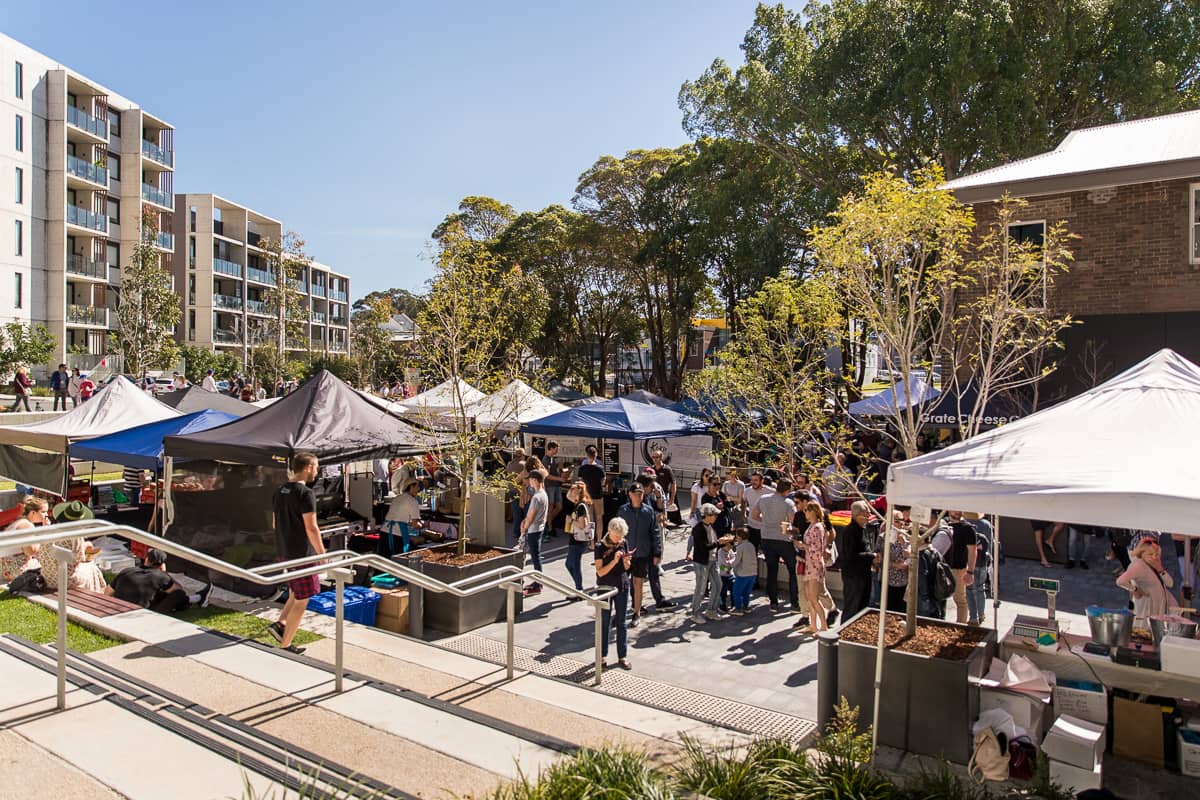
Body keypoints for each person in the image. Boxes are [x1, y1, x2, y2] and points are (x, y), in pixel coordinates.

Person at [266, 452, 325, 654]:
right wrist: (322, 554)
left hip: (284, 550)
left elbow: (275, 523)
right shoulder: (305, 494)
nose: (317, 471)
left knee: (295, 591)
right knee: (303, 598)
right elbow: (312, 528)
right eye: (316, 467)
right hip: (302, 553)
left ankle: (281, 623)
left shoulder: (279, 490)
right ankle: (286, 645)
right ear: (308, 467)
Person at [617, 482, 671, 627]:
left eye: (640, 493)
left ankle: (637, 612)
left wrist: (657, 552)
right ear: (629, 494)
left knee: (638, 583)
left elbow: (654, 533)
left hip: (642, 553)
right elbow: (617, 532)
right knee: (622, 584)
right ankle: (619, 613)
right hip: (626, 554)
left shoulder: (648, 511)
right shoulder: (623, 511)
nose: (638, 496)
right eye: (635, 493)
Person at [108, 547, 210, 612]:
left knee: (160, 593)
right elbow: (179, 589)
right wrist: (164, 573)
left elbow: (107, 592)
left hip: (119, 609)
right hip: (143, 614)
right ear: (162, 564)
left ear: (147, 559)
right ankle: (198, 599)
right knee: (178, 595)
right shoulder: (161, 577)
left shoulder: (126, 571)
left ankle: (196, 599)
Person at [751, 477, 799, 612]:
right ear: (788, 490)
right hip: (783, 538)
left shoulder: (764, 498)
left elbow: (754, 515)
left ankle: (773, 602)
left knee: (772, 570)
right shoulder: (788, 503)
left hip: (766, 537)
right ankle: (794, 603)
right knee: (792, 570)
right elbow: (793, 521)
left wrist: (765, 521)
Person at [595, 517, 633, 670]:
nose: (619, 540)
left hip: (622, 585)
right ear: (610, 532)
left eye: (621, 536)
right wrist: (614, 561)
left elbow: (628, 567)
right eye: (617, 536)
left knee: (622, 622)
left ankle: (622, 656)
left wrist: (626, 562)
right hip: (605, 586)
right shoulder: (600, 547)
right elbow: (600, 572)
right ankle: (602, 656)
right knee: (604, 622)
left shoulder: (623, 543)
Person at [1117, 534, 1178, 624]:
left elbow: (1170, 584)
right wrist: (1135, 589)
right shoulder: (1138, 565)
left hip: (1160, 607)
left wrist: (1160, 569)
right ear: (1142, 553)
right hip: (1147, 609)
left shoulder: (1155, 563)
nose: (1154, 557)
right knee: (1144, 632)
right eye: (1150, 554)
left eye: (1157, 554)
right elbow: (1120, 581)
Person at [836, 500, 878, 623]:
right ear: (857, 514)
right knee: (852, 606)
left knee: (862, 606)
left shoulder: (863, 529)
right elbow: (850, 556)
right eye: (866, 513)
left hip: (863, 573)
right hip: (853, 576)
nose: (869, 516)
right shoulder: (850, 532)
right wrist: (871, 556)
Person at [799, 502, 831, 636]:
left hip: (815, 564)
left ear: (813, 511)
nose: (805, 512)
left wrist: (803, 546)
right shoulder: (812, 526)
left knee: (814, 597)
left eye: (807, 510)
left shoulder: (817, 527)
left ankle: (823, 626)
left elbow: (817, 548)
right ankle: (813, 625)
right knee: (809, 596)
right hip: (809, 563)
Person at [688, 504, 724, 623]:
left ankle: (711, 610)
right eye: (714, 514)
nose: (716, 517)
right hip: (701, 562)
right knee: (700, 588)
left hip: (713, 560)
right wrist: (719, 543)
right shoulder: (698, 529)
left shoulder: (711, 527)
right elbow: (704, 547)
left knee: (718, 585)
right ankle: (695, 613)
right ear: (707, 515)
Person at [519, 471, 549, 596]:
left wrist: (524, 528)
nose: (528, 482)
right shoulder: (543, 494)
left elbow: (531, 515)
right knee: (536, 555)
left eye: (530, 479)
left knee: (535, 557)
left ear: (535, 480)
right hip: (539, 528)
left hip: (533, 530)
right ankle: (537, 582)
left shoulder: (537, 497)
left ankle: (538, 584)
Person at [946, 511, 979, 625]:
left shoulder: (968, 528)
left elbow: (973, 551)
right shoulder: (943, 524)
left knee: (960, 599)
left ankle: (960, 625)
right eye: (954, 508)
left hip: (958, 568)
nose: (957, 511)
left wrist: (970, 572)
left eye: (959, 509)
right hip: (943, 566)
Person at [874, 511, 910, 612]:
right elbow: (878, 558)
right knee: (888, 610)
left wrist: (903, 543)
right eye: (897, 521)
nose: (901, 524)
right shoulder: (882, 537)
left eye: (903, 520)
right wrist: (893, 564)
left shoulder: (907, 537)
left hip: (903, 582)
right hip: (887, 581)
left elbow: (911, 557)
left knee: (901, 611)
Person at [563, 481, 595, 592]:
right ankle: (578, 587)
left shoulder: (580, 506)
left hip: (578, 541)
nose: (569, 492)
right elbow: (567, 496)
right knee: (571, 564)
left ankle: (579, 588)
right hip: (575, 540)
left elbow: (582, 525)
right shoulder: (578, 504)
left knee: (573, 564)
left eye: (572, 490)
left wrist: (571, 520)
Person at [965, 512, 994, 626]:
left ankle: (973, 617)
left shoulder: (965, 524)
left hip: (969, 561)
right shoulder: (986, 524)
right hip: (982, 561)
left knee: (969, 590)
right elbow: (990, 544)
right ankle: (981, 614)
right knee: (980, 588)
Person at [383, 477, 423, 555]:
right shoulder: (412, 501)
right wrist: (423, 525)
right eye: (417, 487)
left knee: (384, 562)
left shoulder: (397, 498)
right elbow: (415, 524)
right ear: (411, 487)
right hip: (397, 535)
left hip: (384, 531)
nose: (418, 489)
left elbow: (398, 517)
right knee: (398, 561)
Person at [730, 528, 757, 615]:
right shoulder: (751, 545)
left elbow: (736, 561)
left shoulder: (740, 547)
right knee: (746, 592)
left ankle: (738, 609)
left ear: (740, 537)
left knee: (736, 591)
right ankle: (746, 607)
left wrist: (729, 564)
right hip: (753, 573)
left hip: (743, 573)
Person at [743, 471, 770, 551]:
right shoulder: (747, 491)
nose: (753, 482)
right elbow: (743, 501)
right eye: (752, 480)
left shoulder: (770, 491)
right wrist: (744, 513)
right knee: (752, 550)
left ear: (762, 481)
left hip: (765, 527)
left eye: (756, 480)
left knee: (766, 551)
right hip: (752, 526)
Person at [542, 441, 565, 537]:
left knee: (559, 506)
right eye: (556, 449)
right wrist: (559, 478)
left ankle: (548, 521)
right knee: (550, 507)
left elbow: (554, 472)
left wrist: (562, 471)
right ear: (551, 448)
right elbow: (546, 475)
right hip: (550, 485)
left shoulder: (552, 459)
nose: (557, 451)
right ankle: (550, 528)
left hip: (556, 485)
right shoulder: (546, 459)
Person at [649, 448, 677, 524]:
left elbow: (673, 483)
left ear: (661, 457)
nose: (654, 459)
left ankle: (664, 526)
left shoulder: (667, 469)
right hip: (653, 494)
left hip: (664, 494)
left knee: (663, 512)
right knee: (652, 512)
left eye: (656, 457)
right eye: (653, 457)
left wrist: (672, 498)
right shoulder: (651, 469)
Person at [716, 534, 736, 611]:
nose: (730, 547)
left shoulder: (730, 551)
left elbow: (734, 559)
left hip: (731, 574)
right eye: (729, 546)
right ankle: (722, 605)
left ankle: (734, 604)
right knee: (722, 592)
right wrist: (728, 566)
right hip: (723, 575)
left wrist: (730, 563)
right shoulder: (720, 552)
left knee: (733, 590)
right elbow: (722, 564)